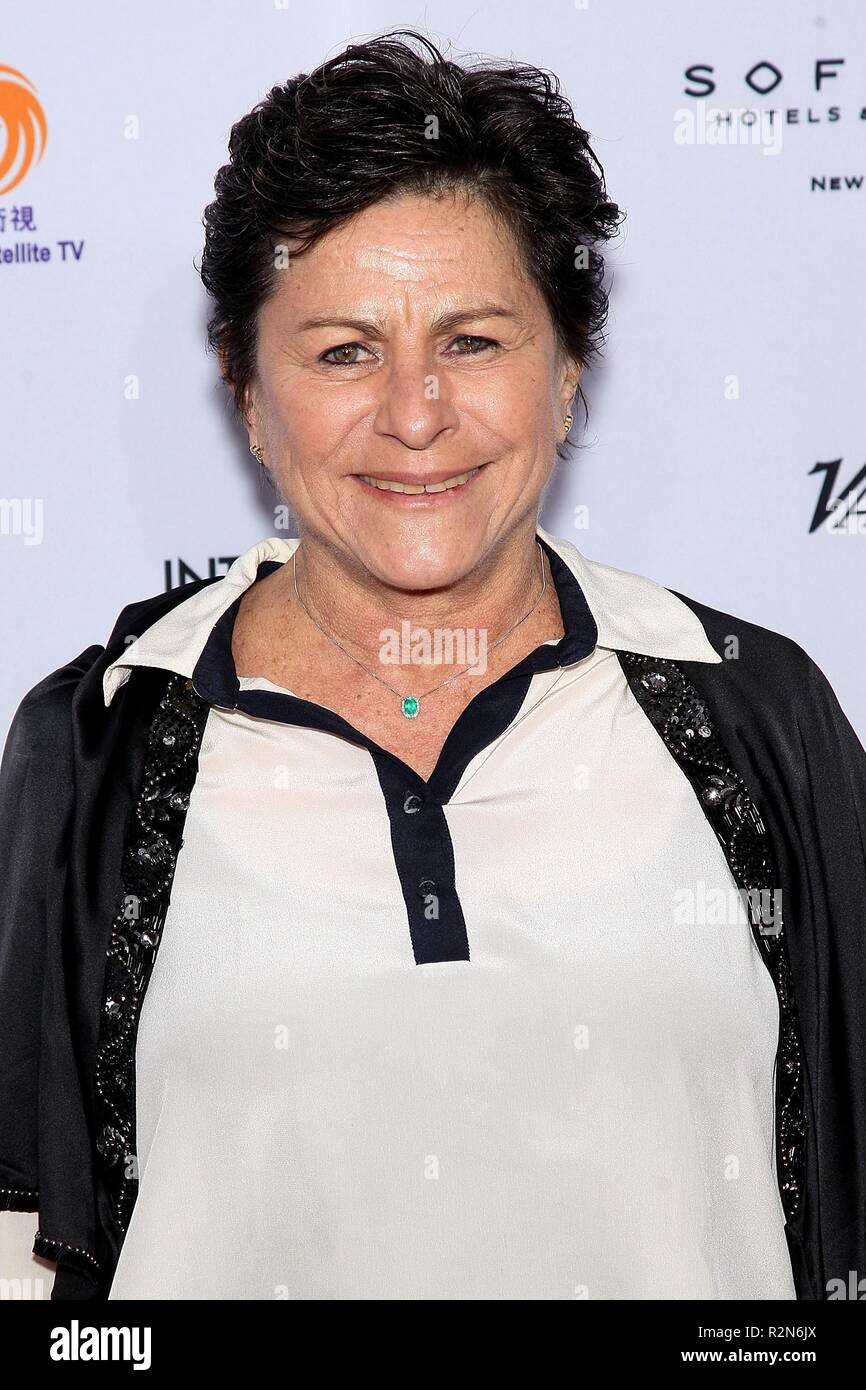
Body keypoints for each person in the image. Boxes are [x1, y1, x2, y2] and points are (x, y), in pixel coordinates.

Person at [1, 29, 864, 1302]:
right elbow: (25, 1268)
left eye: (473, 341)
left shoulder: (748, 705)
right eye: (343, 350)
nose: (415, 414)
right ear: (246, 392)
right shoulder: (100, 740)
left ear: (568, 372)